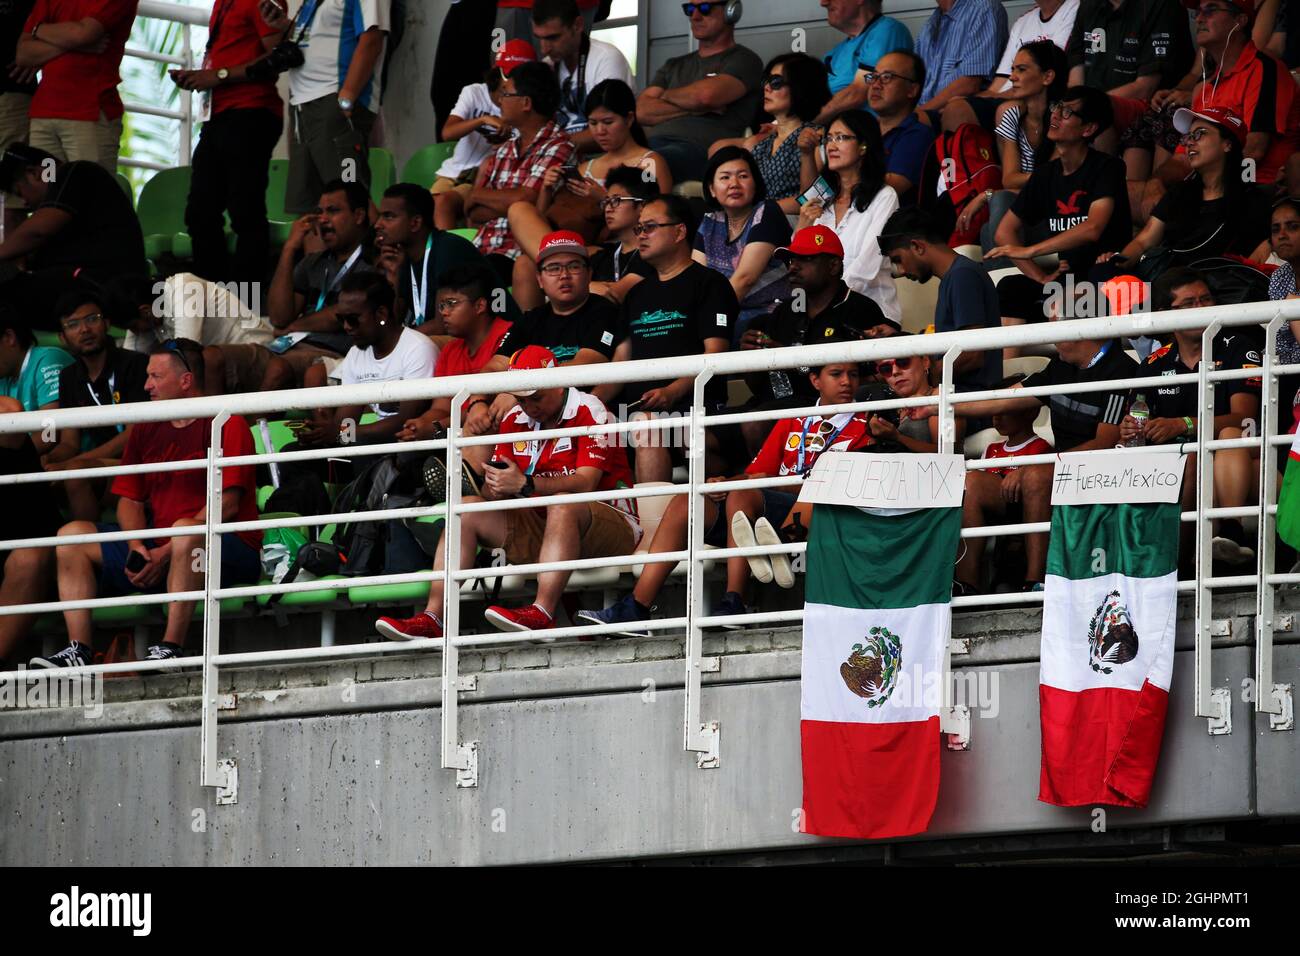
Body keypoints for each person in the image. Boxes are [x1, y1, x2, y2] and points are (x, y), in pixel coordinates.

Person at [577, 357, 875, 635]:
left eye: (853, 374)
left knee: (740, 497)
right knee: (689, 503)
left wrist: (761, 485)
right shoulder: (794, 420)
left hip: (812, 512)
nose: (847, 382)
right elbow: (757, 472)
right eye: (836, 374)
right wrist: (725, 482)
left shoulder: (867, 425)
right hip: (766, 508)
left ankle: (735, 601)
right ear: (815, 381)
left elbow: (839, 485)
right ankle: (636, 607)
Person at [374, 345, 642, 639]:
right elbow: (502, 485)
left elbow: (585, 483)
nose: (529, 407)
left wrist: (526, 484)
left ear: (558, 382)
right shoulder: (515, 416)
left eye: (536, 397)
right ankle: (434, 616)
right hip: (543, 525)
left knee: (563, 503)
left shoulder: (589, 408)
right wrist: (494, 488)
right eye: (521, 399)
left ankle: (542, 612)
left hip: (612, 523)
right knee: (467, 510)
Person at [33, 338, 263, 668]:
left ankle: (171, 647)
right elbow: (129, 499)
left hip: (226, 547)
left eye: (155, 377)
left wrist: (165, 551)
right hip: (160, 544)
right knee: (72, 536)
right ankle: (78, 652)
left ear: (186, 381)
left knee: (185, 532)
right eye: (147, 376)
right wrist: (138, 546)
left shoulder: (228, 422)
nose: (146, 385)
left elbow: (225, 505)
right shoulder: (146, 425)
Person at [950, 317, 1138, 593]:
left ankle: (1035, 582)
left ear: (1082, 334)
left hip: (1100, 471)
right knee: (972, 482)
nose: (1052, 342)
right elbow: (1003, 400)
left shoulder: (1121, 370)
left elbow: (1104, 444)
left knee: (1036, 475)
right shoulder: (1060, 364)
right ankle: (967, 586)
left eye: (1058, 333)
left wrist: (1032, 468)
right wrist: (939, 405)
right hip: (1058, 472)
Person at [1121, 266, 1261, 566]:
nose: (1200, 309)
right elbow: (1136, 418)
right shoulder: (1153, 363)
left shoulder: (1239, 347)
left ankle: (1232, 532)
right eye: (1188, 303)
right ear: (1165, 313)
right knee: (1188, 462)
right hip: (1176, 468)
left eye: (1206, 300)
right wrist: (1132, 429)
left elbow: (1242, 418)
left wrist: (1182, 424)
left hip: (1245, 460)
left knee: (1226, 436)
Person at [1122, 0, 1300, 216]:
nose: (1198, 18)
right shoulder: (1205, 88)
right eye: (1197, 12)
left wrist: (1209, 189)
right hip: (1208, 188)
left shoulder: (1264, 68)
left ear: (1240, 20)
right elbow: (1182, 158)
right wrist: (1156, 181)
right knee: (1121, 193)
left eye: (1211, 9)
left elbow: (1255, 150)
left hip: (1253, 187)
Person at [505, 78, 671, 308]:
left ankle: (559, 263)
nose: (599, 131)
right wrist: (546, 189)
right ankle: (535, 331)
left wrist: (602, 199)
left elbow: (658, 214)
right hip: (574, 240)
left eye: (608, 122)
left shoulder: (649, 163)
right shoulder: (585, 167)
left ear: (630, 119)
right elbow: (544, 217)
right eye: (592, 123)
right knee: (521, 225)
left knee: (526, 261)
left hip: (610, 246)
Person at [987, 87, 1131, 347]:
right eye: (1057, 107)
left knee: (1082, 291)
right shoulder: (1046, 175)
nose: (1055, 115)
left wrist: (1031, 250)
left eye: (1067, 112)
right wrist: (1040, 276)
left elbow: (1093, 228)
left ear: (1088, 129)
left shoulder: (1107, 167)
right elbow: (1003, 232)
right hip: (1066, 277)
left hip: (1106, 272)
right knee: (1010, 287)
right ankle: (1006, 379)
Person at [617, 194, 737, 483]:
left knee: (647, 426)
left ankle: (652, 523)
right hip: (634, 411)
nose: (641, 236)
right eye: (638, 229)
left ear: (680, 232)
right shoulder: (637, 293)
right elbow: (619, 360)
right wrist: (591, 403)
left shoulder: (710, 284)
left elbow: (715, 355)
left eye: (650, 227)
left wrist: (672, 391)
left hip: (695, 408)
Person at [741, 225, 893, 448]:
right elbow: (757, 384)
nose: (792, 267)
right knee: (700, 431)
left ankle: (767, 482)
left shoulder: (860, 309)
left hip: (824, 409)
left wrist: (788, 359)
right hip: (770, 402)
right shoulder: (785, 311)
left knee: (755, 423)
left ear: (832, 266)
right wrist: (752, 358)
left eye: (804, 260)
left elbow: (871, 379)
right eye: (790, 260)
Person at [170, 0, 287, 287]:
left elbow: (278, 59)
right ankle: (213, 304)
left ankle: (244, 307)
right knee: (200, 212)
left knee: (245, 212)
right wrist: (202, 77)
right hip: (219, 115)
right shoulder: (222, 3)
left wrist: (218, 76)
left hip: (251, 111)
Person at [1094, 107, 1271, 282]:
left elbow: (1253, 262)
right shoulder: (1179, 193)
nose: (1190, 143)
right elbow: (1144, 240)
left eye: (1200, 133)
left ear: (1227, 144)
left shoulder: (1252, 200)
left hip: (1218, 290)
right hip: (1169, 284)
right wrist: (1117, 261)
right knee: (1102, 272)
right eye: (1189, 136)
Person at [260, 0, 390, 215]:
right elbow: (319, 37)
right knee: (310, 209)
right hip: (301, 105)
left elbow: (372, 40)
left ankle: (369, 248)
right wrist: (284, 25)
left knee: (350, 199)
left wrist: (346, 99)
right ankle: (317, 250)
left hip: (333, 101)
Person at [0, 144, 146, 329]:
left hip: (101, 289)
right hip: (74, 292)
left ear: (36, 173)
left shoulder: (76, 172)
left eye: (20, 192)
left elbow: (38, 231)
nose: (25, 203)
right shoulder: (65, 214)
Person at [254, 179, 378, 391]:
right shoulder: (313, 262)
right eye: (319, 212)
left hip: (330, 352)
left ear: (358, 216)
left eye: (332, 211)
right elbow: (279, 316)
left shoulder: (373, 262)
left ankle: (247, 425)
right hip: (289, 347)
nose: (322, 219)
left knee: (276, 368)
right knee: (213, 357)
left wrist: (292, 327)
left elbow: (340, 315)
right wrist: (289, 249)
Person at [298, 271, 436, 450]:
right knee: (292, 453)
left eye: (353, 319)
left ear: (381, 314)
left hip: (409, 448)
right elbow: (346, 422)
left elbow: (406, 421)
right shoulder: (356, 353)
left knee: (362, 442)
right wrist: (323, 434)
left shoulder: (417, 348)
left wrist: (344, 433)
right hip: (371, 447)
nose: (346, 327)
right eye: (341, 319)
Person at [465, 60, 575, 281]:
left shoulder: (559, 147)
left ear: (526, 103)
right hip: (482, 250)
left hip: (516, 256)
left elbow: (528, 200)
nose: (500, 102)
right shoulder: (504, 150)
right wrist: (506, 202)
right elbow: (473, 212)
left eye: (506, 94)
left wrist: (477, 194)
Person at [43, 290, 149, 521]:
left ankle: (87, 547)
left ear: (107, 323)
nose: (84, 330)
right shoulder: (69, 377)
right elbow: (70, 441)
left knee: (76, 473)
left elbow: (134, 435)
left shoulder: (135, 364)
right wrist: (49, 460)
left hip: (142, 463)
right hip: (104, 466)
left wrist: (74, 464)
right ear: (62, 337)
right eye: (73, 324)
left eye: (92, 319)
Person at [950, 41, 1068, 248]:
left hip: (1061, 211)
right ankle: (1007, 277)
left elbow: (1055, 180)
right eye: (1012, 69)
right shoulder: (1012, 116)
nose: (1012, 77)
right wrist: (995, 194)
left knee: (998, 209)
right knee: (989, 228)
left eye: (1021, 70)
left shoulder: (1064, 117)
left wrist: (988, 195)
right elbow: (1009, 179)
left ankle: (1006, 278)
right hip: (1027, 207)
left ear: (1047, 76)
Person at [878, 207, 1002, 394]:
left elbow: (974, 354)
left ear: (917, 247)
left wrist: (927, 371)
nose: (901, 271)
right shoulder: (955, 276)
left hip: (970, 402)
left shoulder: (962, 276)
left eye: (898, 259)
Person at [636, 1, 763, 183]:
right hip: (652, 145)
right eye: (689, 9)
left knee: (648, 164)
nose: (695, 16)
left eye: (705, 8)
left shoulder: (744, 60)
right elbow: (641, 111)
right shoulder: (673, 65)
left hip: (699, 149)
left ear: (731, 11)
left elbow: (705, 96)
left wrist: (663, 95)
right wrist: (696, 107)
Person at [798, 110, 901, 324]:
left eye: (842, 137)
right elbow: (799, 264)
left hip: (872, 314)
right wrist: (802, 225)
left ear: (864, 146)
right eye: (829, 139)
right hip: (821, 313)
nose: (832, 145)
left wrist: (826, 300)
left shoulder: (884, 197)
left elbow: (867, 266)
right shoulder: (821, 200)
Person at [103, 272, 276, 394]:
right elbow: (130, 365)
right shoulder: (148, 316)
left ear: (145, 311)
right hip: (221, 371)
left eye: (133, 327)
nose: (135, 332)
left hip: (258, 355)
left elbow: (185, 353)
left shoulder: (184, 287)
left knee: (188, 365)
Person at [397, 260, 514, 440]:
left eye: (451, 303)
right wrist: (420, 424)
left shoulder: (509, 337)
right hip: (454, 433)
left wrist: (435, 427)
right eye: (442, 306)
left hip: (492, 434)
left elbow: (491, 407)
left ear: (479, 306)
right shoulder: (450, 350)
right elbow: (441, 407)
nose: (444, 312)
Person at [15, 0, 136, 171]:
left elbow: (83, 34)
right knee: (48, 190)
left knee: (85, 192)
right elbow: (23, 54)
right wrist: (72, 43)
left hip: (89, 114)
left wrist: (39, 29)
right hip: (44, 115)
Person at [953, 390, 1054, 592]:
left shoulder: (1040, 447)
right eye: (994, 409)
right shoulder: (991, 449)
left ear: (1031, 412)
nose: (997, 415)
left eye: (1005, 409)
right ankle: (965, 584)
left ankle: (1031, 581)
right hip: (995, 520)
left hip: (1022, 515)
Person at [432, 39, 536, 232]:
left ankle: (447, 258)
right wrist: (482, 120)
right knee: (421, 209)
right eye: (509, 74)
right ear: (497, 71)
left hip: (485, 179)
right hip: (452, 173)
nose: (513, 80)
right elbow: (447, 133)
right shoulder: (475, 92)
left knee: (444, 203)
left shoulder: (526, 108)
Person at [709, 53, 830, 215]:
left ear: (800, 86)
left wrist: (756, 211)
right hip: (754, 223)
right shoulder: (763, 142)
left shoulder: (818, 136)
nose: (767, 88)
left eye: (776, 82)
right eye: (766, 81)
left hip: (793, 225)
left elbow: (816, 196)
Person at [692, 145, 791, 341]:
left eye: (743, 176)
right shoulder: (709, 222)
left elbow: (745, 278)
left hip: (767, 316)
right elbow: (696, 279)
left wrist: (706, 320)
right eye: (725, 177)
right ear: (712, 189)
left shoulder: (767, 212)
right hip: (722, 317)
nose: (734, 184)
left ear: (755, 184)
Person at [1065, 0, 1195, 148]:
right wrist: (1070, 108)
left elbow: (1145, 87)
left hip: (1143, 108)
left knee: (1101, 112)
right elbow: (1076, 72)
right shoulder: (1088, 5)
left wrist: (1083, 108)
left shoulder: (1161, 6)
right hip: (1089, 105)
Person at [939, 0, 1080, 131]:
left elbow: (1050, 77)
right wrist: (972, 99)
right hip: (1005, 98)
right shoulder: (1023, 21)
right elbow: (996, 87)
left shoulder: (1075, 8)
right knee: (943, 111)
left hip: (1036, 100)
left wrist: (974, 101)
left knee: (957, 110)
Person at [375, 182, 482, 335]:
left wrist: (398, 345)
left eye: (389, 216)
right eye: (380, 216)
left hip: (489, 345)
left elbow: (442, 326)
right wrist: (393, 274)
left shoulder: (448, 249)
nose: (378, 224)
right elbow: (391, 322)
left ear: (415, 223)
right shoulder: (404, 256)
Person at [531, 0, 633, 153]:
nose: (544, 49)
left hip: (603, 157)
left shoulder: (606, 58)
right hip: (560, 156)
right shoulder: (547, 65)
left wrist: (547, 146)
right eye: (540, 38)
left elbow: (610, 130)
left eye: (553, 38)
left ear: (578, 25)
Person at [914, 0, 1009, 114]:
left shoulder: (983, 9)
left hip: (956, 116)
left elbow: (970, 84)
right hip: (924, 115)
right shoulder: (929, 25)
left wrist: (918, 115)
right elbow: (913, 81)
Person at [818, 0, 913, 111]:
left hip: (866, 126)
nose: (823, 3)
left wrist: (808, 124)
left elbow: (858, 93)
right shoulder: (833, 54)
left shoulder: (886, 29)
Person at [867, 51, 935, 206]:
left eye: (887, 77)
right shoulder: (860, 131)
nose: (876, 85)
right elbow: (808, 198)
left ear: (912, 90)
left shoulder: (918, 135)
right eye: (873, 77)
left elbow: (887, 193)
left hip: (890, 226)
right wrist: (809, 154)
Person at [0, 304, 71, 452]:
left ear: (9, 338)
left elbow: (50, 434)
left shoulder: (47, 358)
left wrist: (14, 458)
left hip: (73, 464)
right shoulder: (4, 375)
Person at [587, 164, 660, 303]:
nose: (608, 209)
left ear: (642, 206)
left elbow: (614, 294)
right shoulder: (602, 256)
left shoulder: (655, 253)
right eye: (606, 201)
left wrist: (587, 287)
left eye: (616, 201)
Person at [0, 0, 37, 235]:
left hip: (13, 93)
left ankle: (15, 270)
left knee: (16, 197)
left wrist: (36, 56)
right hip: (14, 92)